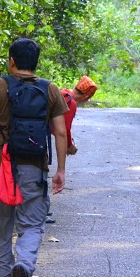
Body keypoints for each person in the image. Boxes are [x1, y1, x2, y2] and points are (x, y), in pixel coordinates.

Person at [0, 38, 69, 277]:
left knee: (3, 227)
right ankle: (24, 266)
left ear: (11, 60)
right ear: (35, 62)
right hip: (35, 170)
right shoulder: (50, 90)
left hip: (3, 168)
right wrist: (60, 169)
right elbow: (60, 131)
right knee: (32, 226)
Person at [44, 77, 94, 226]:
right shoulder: (70, 103)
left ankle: (42, 209)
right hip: (40, 138)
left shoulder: (63, 92)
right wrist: (69, 146)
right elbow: (64, 130)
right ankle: (40, 212)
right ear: (86, 96)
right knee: (40, 173)